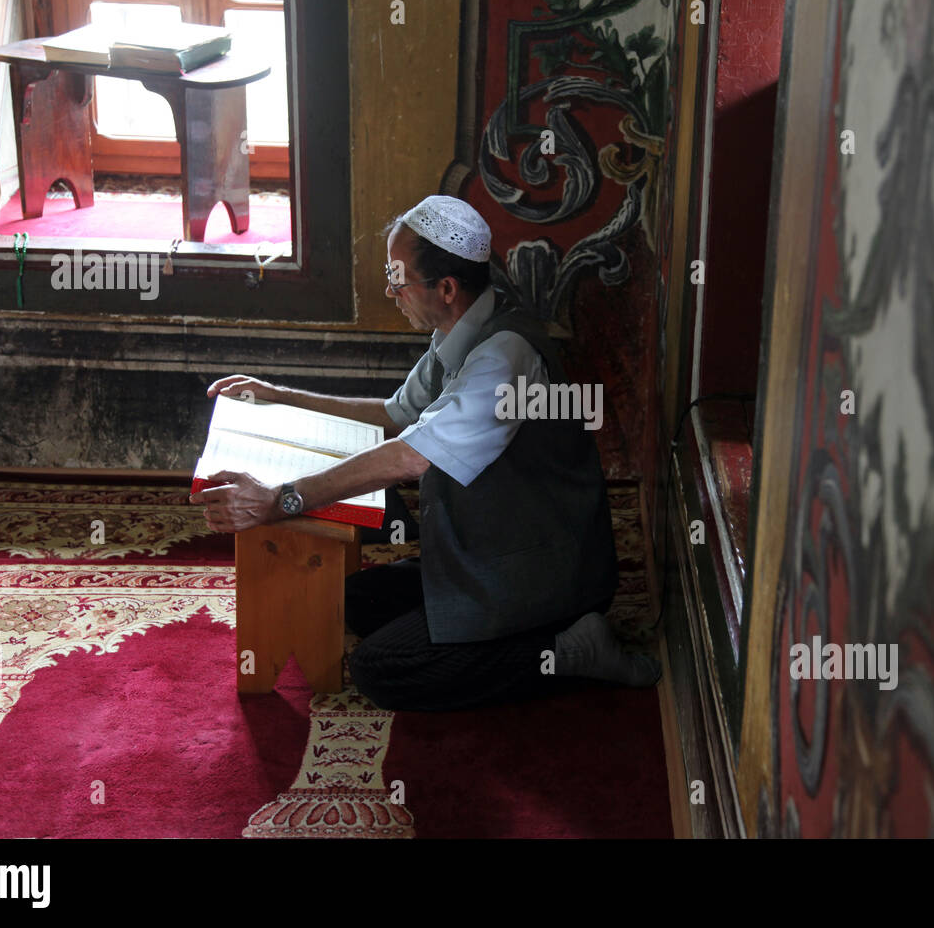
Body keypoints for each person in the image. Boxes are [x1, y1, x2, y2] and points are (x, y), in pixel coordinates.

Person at [192, 195, 660, 711]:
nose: (390, 292)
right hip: (488, 547)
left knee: (384, 669)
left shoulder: (503, 357)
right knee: (350, 601)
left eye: (397, 278)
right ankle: (498, 627)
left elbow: (412, 455)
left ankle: (569, 647)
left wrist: (280, 499)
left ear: (446, 288)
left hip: (543, 573)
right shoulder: (458, 328)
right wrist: (280, 395)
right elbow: (395, 415)